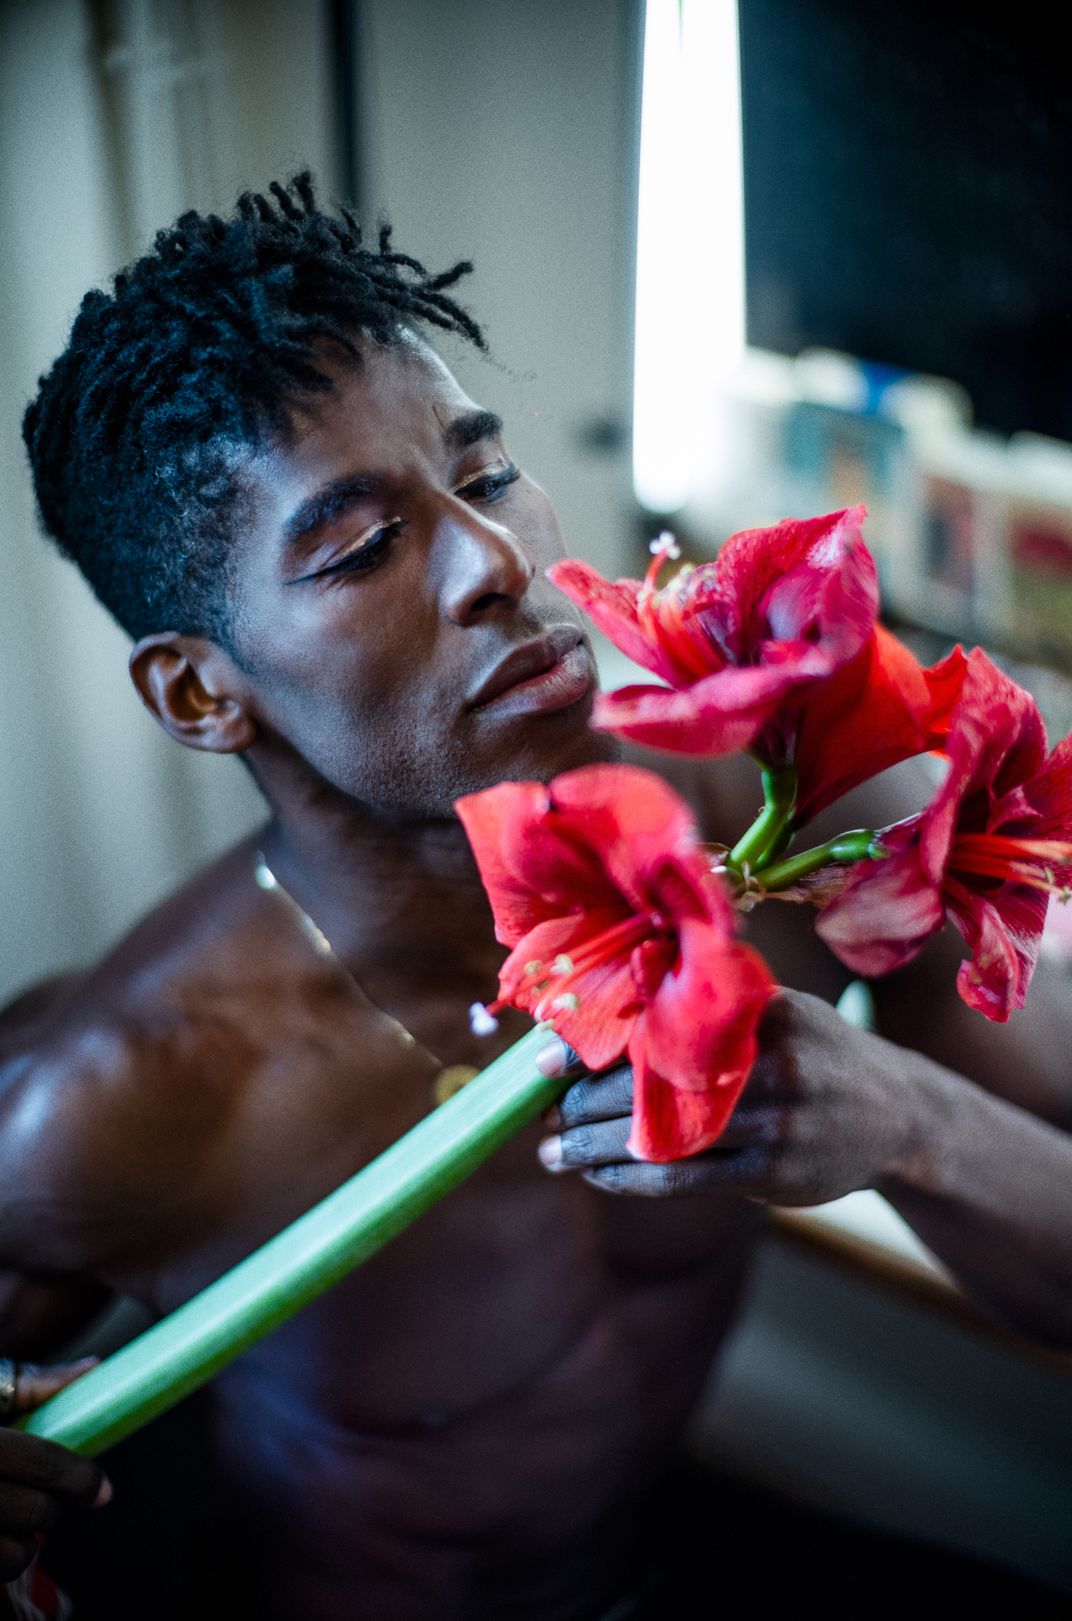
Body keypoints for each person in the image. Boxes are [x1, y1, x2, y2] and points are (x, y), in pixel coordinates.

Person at [1, 173, 1070, 1618]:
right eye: (363, 546)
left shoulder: (786, 793)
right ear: (200, 689)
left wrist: (909, 1120)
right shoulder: (120, 1098)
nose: (502, 562)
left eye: (488, 474)